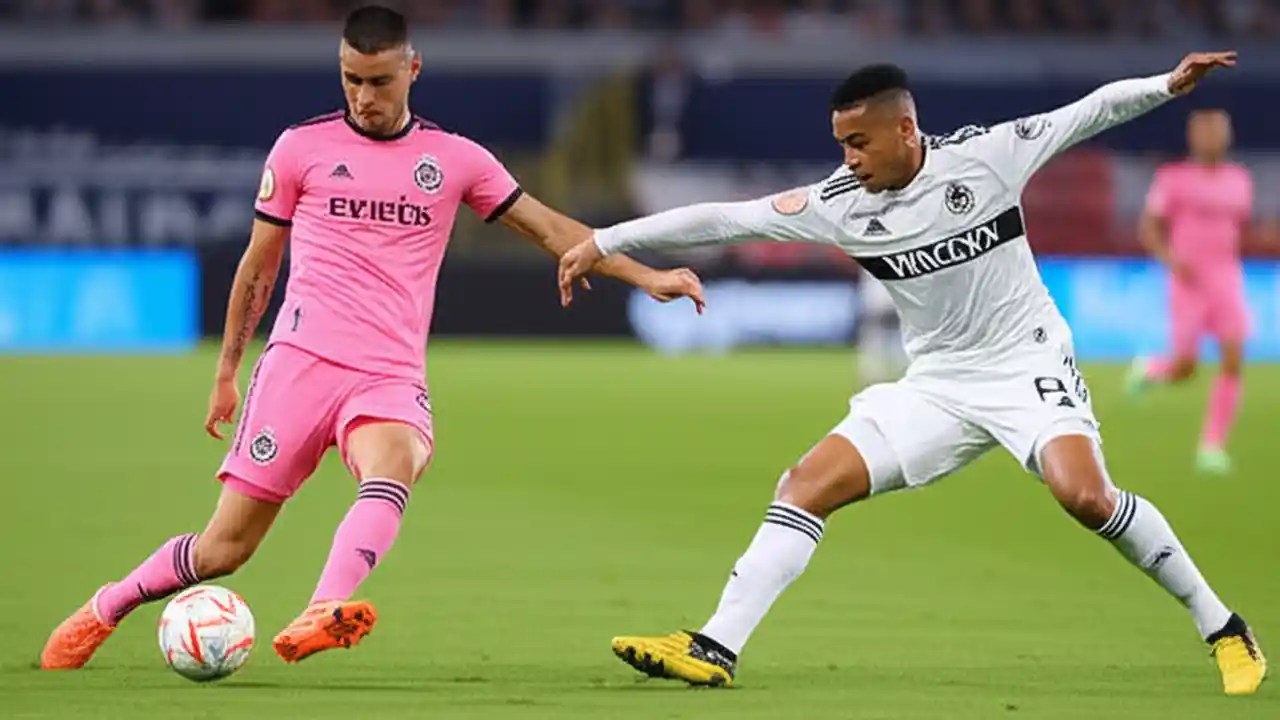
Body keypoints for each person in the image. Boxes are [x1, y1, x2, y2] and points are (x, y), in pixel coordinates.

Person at [557, 55, 1266, 695]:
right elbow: (723, 220)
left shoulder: (989, 158)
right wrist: (604, 241)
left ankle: (1224, 627)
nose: (848, 158)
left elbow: (1087, 113)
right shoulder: (838, 204)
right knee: (806, 484)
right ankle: (717, 647)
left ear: (905, 128)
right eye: (840, 143)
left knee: (1084, 496)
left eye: (858, 142)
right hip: (938, 384)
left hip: (1027, 362)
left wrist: (1167, 85)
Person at [40, 4, 703, 670]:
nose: (364, 97)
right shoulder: (302, 148)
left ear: (413, 69)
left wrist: (645, 274)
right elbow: (257, 268)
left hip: (386, 374)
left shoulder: (455, 160)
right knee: (224, 550)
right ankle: (107, 607)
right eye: (351, 79)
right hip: (298, 365)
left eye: (380, 81)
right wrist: (225, 373)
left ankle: (323, 608)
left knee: (397, 462)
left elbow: (553, 229)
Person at [1126, 109, 1254, 475]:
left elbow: (1237, 228)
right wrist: (1172, 260)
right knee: (1186, 367)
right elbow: (1149, 228)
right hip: (1187, 282)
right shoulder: (1172, 179)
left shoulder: (1239, 180)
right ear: (1193, 137)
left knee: (1233, 356)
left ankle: (1212, 445)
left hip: (1226, 278)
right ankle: (1151, 370)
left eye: (1219, 132)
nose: (1213, 139)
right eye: (1206, 132)